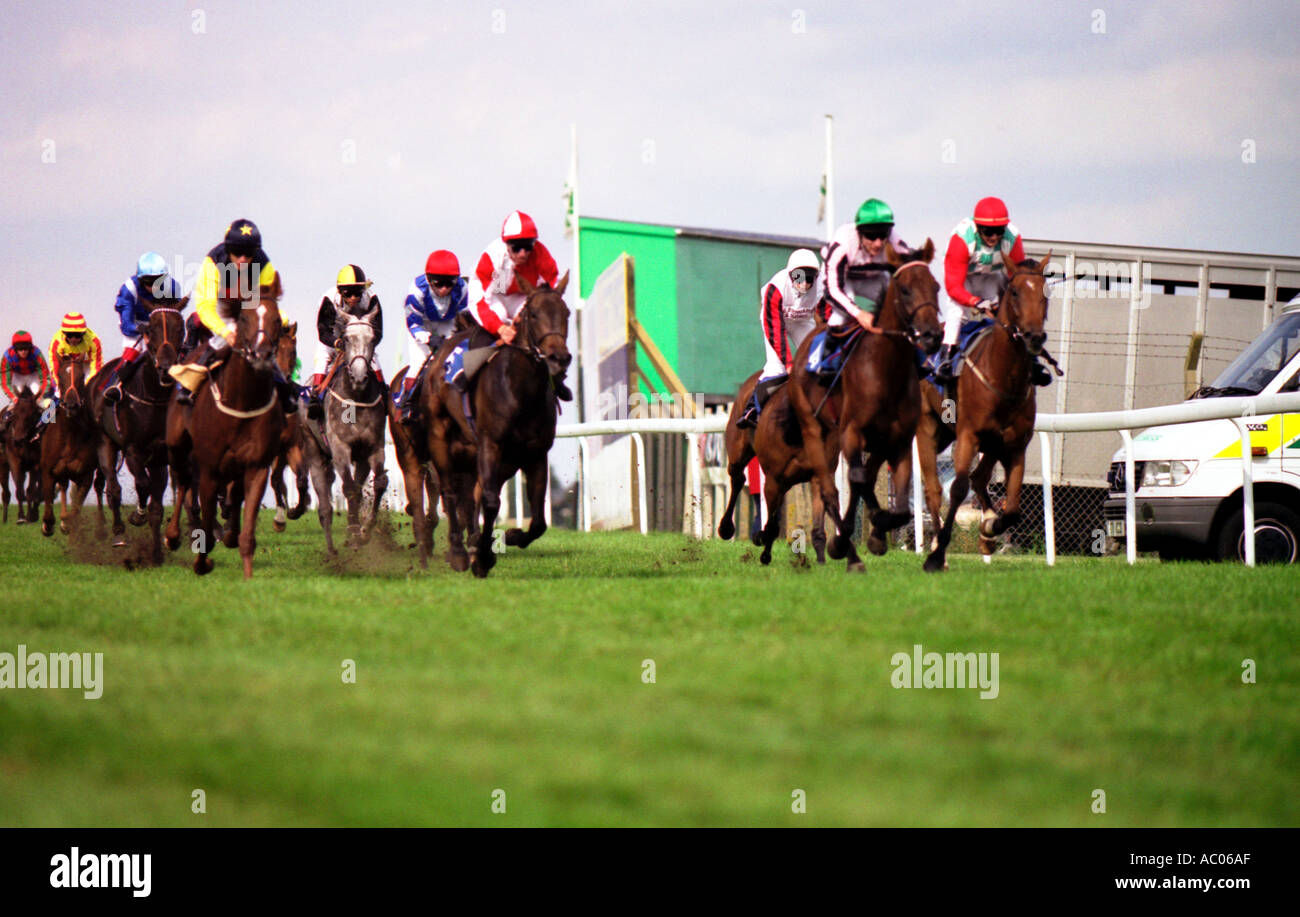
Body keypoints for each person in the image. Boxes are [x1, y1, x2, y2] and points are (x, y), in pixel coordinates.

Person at [172, 219, 298, 409]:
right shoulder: (213, 262)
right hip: (220, 307)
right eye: (238, 253)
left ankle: (284, 391)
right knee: (227, 335)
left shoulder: (263, 263)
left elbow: (268, 302)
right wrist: (225, 333)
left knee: (265, 337)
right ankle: (186, 386)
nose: (243, 259)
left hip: (249, 306)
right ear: (228, 249)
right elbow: (205, 307)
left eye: (248, 254)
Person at [456, 211, 571, 400]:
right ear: (506, 244)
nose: (523, 253)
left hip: (521, 295)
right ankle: (466, 372)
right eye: (517, 248)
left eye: (528, 247)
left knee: (536, 323)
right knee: (500, 315)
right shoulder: (494, 257)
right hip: (492, 292)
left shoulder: (542, 256)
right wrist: (501, 328)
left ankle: (555, 376)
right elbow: (481, 302)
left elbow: (549, 299)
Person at [935, 196, 1051, 385]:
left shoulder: (1013, 238)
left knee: (1014, 308)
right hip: (963, 279)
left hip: (992, 276)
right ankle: (946, 359)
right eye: (988, 232)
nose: (994, 237)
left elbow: (1017, 277)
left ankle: (1032, 358)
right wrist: (976, 302)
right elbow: (953, 287)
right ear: (978, 227)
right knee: (957, 312)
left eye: (999, 231)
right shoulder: (962, 239)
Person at [737, 249, 822, 429]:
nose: (805, 283)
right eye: (799, 276)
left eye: (809, 277)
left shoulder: (823, 287)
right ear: (791, 274)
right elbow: (775, 328)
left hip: (802, 321)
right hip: (775, 321)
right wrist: (789, 364)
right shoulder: (775, 288)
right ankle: (752, 409)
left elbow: (828, 320)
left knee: (818, 363)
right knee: (778, 368)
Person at [820, 197, 911, 335]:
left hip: (872, 278)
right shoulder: (843, 246)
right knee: (841, 315)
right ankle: (821, 354)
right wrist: (859, 314)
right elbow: (833, 290)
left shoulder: (895, 244)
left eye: (883, 235)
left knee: (898, 304)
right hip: (841, 280)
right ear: (860, 233)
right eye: (871, 236)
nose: (878, 243)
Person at [103, 252, 185, 403]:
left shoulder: (172, 287)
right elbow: (126, 324)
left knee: (176, 352)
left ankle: (185, 388)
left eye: (158, 281)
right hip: (136, 326)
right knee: (133, 352)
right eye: (148, 281)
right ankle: (115, 385)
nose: (153, 286)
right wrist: (141, 330)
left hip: (161, 325)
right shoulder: (129, 289)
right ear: (140, 280)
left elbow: (176, 318)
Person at [397, 250, 468, 422]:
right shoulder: (417, 290)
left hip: (448, 323)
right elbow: (413, 322)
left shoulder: (462, 288)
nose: (444, 289)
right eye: (439, 284)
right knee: (418, 364)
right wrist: (429, 339)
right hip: (422, 324)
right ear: (429, 280)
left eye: (449, 284)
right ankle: (404, 403)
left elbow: (465, 319)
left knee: (460, 361)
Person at [306, 264, 385, 419]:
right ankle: (316, 398)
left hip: (359, 340)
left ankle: (384, 395)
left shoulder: (371, 300)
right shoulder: (329, 299)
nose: (353, 298)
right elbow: (323, 332)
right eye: (348, 294)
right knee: (322, 358)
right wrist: (337, 343)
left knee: (374, 360)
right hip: (334, 338)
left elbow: (378, 331)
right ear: (340, 292)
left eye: (357, 293)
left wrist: (365, 345)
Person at [1, 331, 51, 435]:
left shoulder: (37, 354)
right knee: (15, 403)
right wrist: (14, 398)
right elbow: (5, 382)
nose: (23, 351)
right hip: (17, 376)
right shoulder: (7, 357)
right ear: (15, 349)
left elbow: (45, 378)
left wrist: (41, 396)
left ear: (30, 348)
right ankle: (4, 424)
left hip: (33, 376)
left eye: (26, 348)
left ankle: (49, 428)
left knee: (45, 403)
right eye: (20, 349)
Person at [48, 312, 103, 396]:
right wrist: (59, 384)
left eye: (77, 335)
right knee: (57, 393)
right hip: (66, 368)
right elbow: (55, 367)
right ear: (64, 333)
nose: (73, 339)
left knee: (94, 390)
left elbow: (96, 367)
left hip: (86, 366)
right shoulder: (56, 342)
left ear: (83, 334)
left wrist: (87, 386)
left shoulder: (93, 341)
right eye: (70, 335)